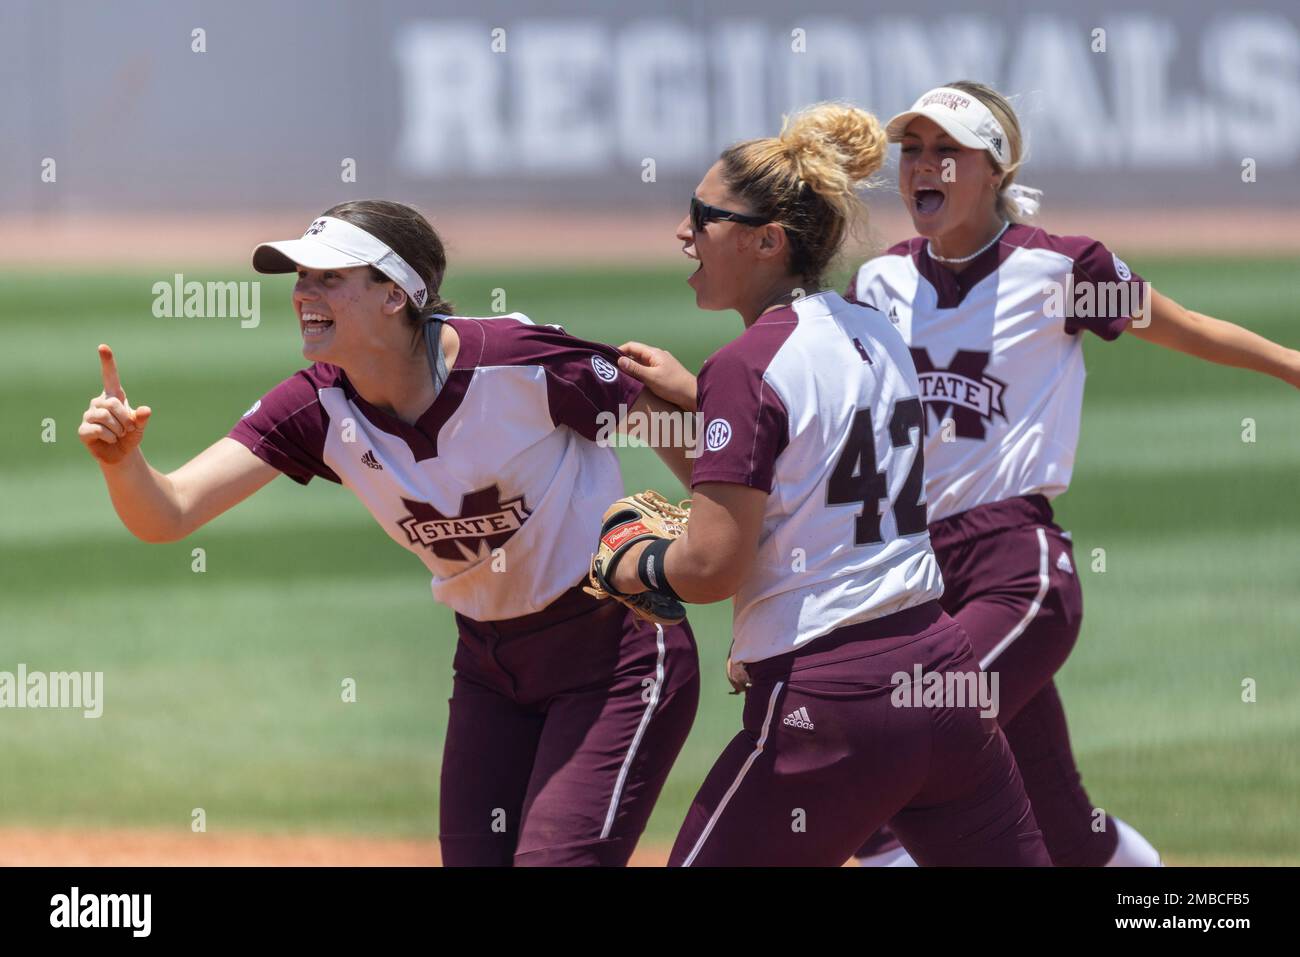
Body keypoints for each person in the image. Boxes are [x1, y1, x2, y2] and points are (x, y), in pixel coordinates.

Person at [77, 199, 701, 867]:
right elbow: (170, 512)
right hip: (490, 668)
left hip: (615, 655)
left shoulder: (515, 361)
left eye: (327, 277)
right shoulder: (317, 405)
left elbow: (682, 428)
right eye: (299, 278)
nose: (303, 294)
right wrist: (122, 463)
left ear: (395, 294)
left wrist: (721, 543)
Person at [846, 82, 1300, 866]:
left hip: (1012, 571)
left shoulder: (1057, 268)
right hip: (912, 576)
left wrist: (1292, 365)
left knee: (904, 738)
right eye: (912, 150)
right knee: (1063, 825)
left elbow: (1187, 329)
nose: (922, 166)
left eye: (945, 151)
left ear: (994, 168)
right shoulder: (879, 283)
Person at [603, 104, 1052, 866]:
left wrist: (634, 557)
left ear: (767, 240)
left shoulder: (748, 366)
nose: (685, 234)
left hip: (834, 703)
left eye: (702, 217)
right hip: (939, 678)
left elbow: (712, 565)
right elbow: (788, 487)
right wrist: (682, 409)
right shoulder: (874, 330)